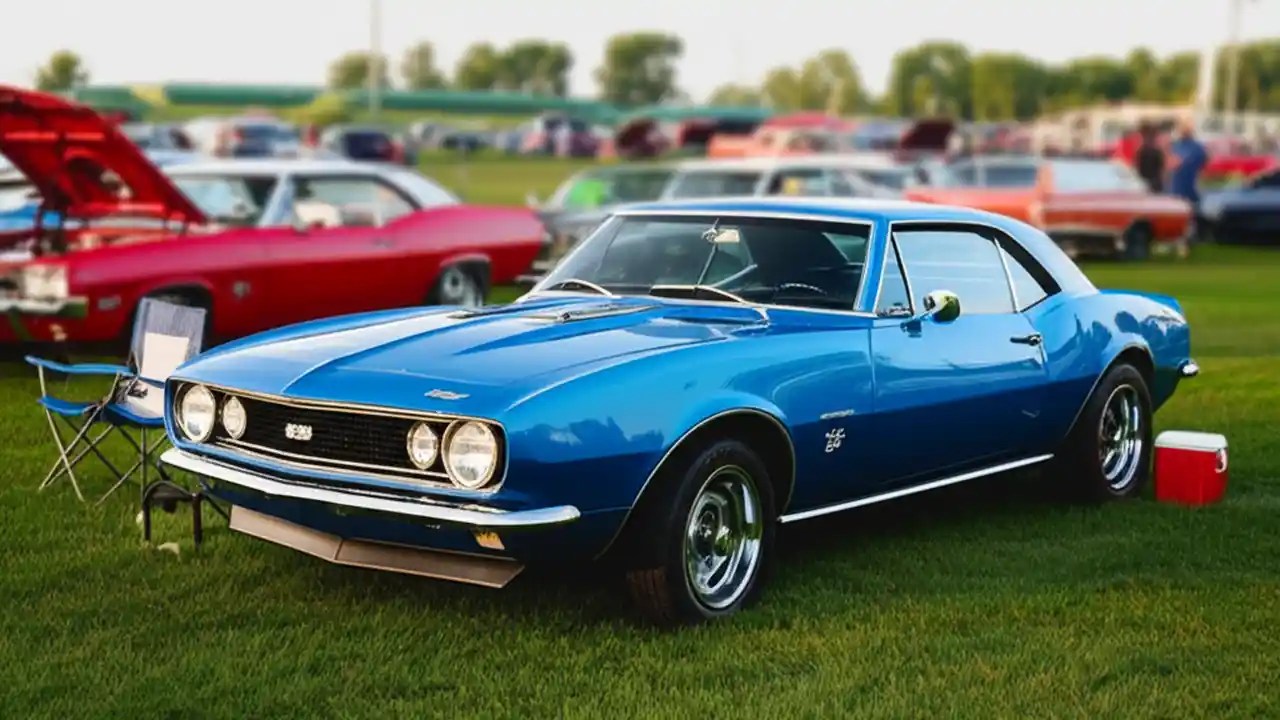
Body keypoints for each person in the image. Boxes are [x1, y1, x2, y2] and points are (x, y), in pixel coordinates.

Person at [1167, 119, 1209, 245]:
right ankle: (1179, 236)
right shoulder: (1176, 146)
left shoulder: (1195, 148)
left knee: (1192, 211)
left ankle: (1192, 236)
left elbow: (1201, 162)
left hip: (1189, 185)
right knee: (1179, 212)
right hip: (1176, 186)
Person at [1134, 122, 1165, 193]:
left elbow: (1138, 167)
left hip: (1149, 182)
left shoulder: (1144, 151)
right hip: (1150, 182)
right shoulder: (1144, 151)